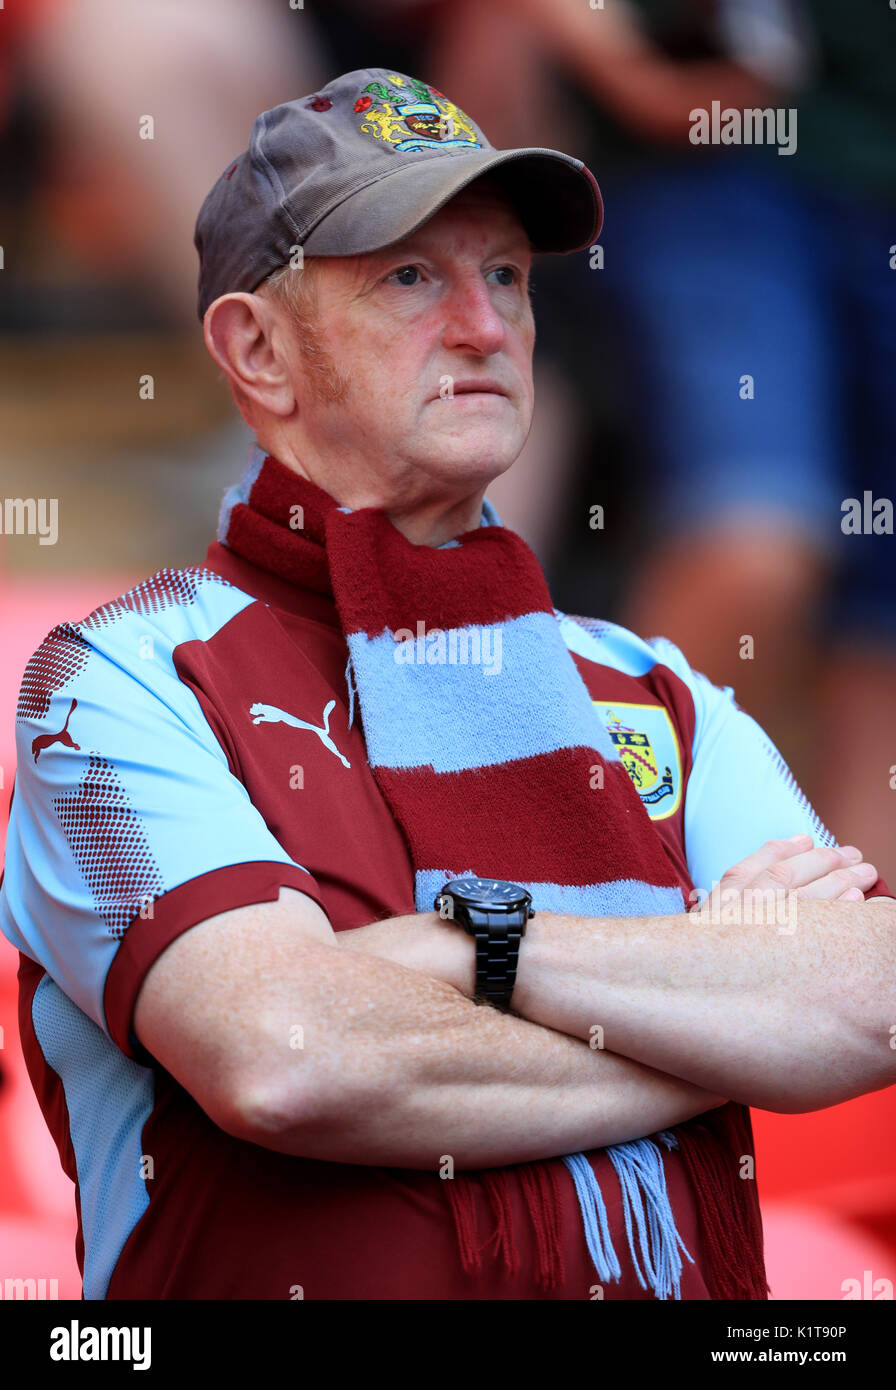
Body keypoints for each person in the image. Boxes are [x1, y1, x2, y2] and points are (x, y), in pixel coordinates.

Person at [1, 67, 892, 1302]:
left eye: (509, 276)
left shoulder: (656, 687)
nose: (484, 325)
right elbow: (291, 1056)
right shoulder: (118, 682)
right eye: (409, 276)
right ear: (256, 351)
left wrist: (466, 942)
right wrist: (713, 1007)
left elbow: (865, 1007)